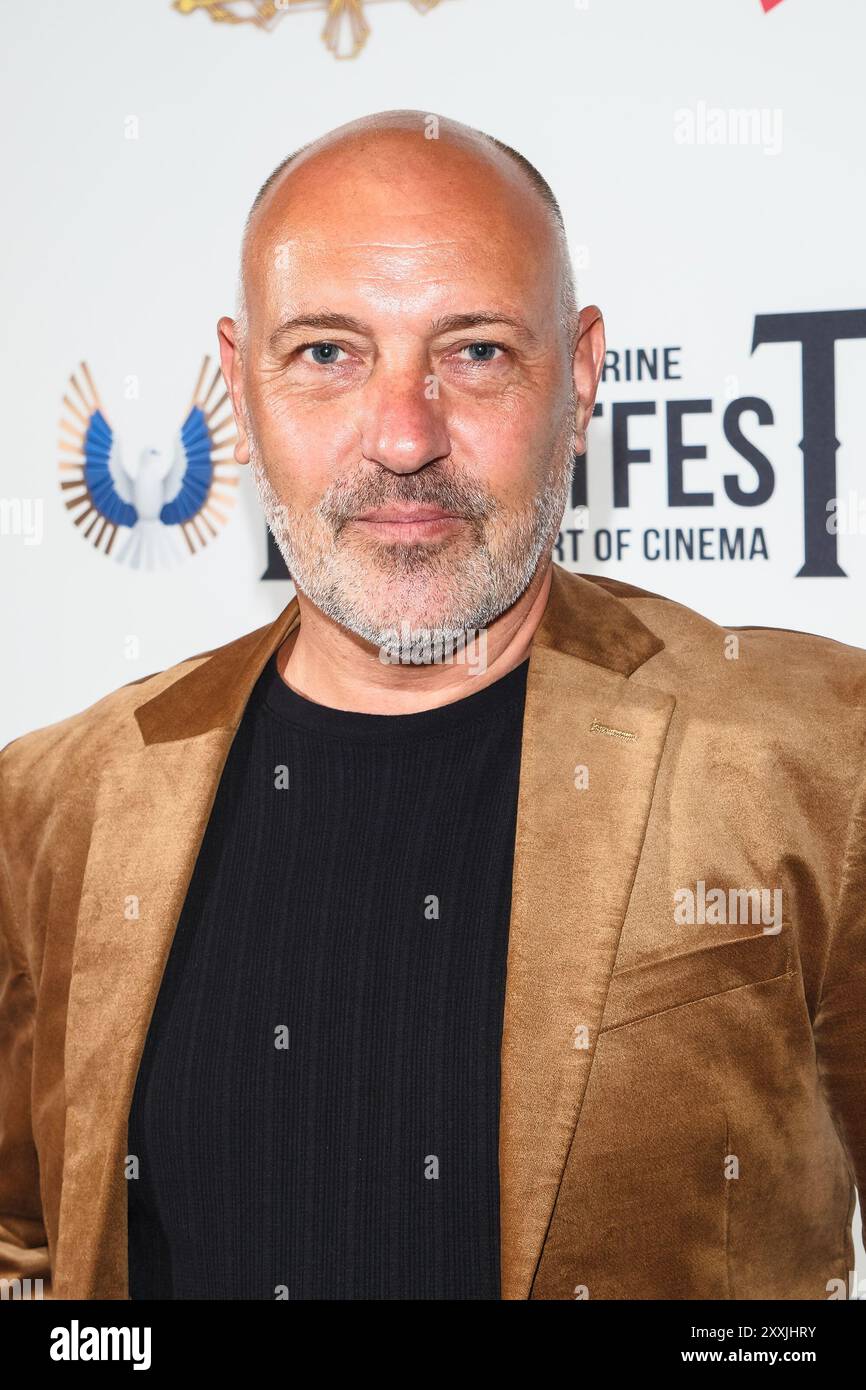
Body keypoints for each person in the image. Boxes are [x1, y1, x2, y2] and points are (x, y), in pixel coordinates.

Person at [1, 110, 864, 1301]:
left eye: (473, 352)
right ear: (239, 382)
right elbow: (30, 1251)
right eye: (325, 353)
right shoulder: (55, 800)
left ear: (580, 372)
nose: (403, 438)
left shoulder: (820, 747)